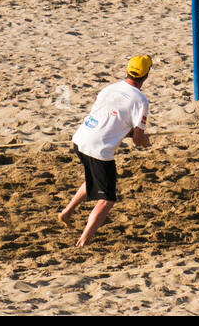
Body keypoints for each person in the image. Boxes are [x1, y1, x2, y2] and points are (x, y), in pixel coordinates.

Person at [60, 55, 152, 245]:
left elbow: (108, 119)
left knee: (93, 179)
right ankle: (83, 241)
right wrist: (145, 142)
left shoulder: (109, 89)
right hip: (99, 149)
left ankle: (67, 212)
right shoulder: (140, 100)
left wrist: (127, 133)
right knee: (107, 199)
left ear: (127, 71)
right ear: (146, 76)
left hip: (80, 139)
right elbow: (137, 139)